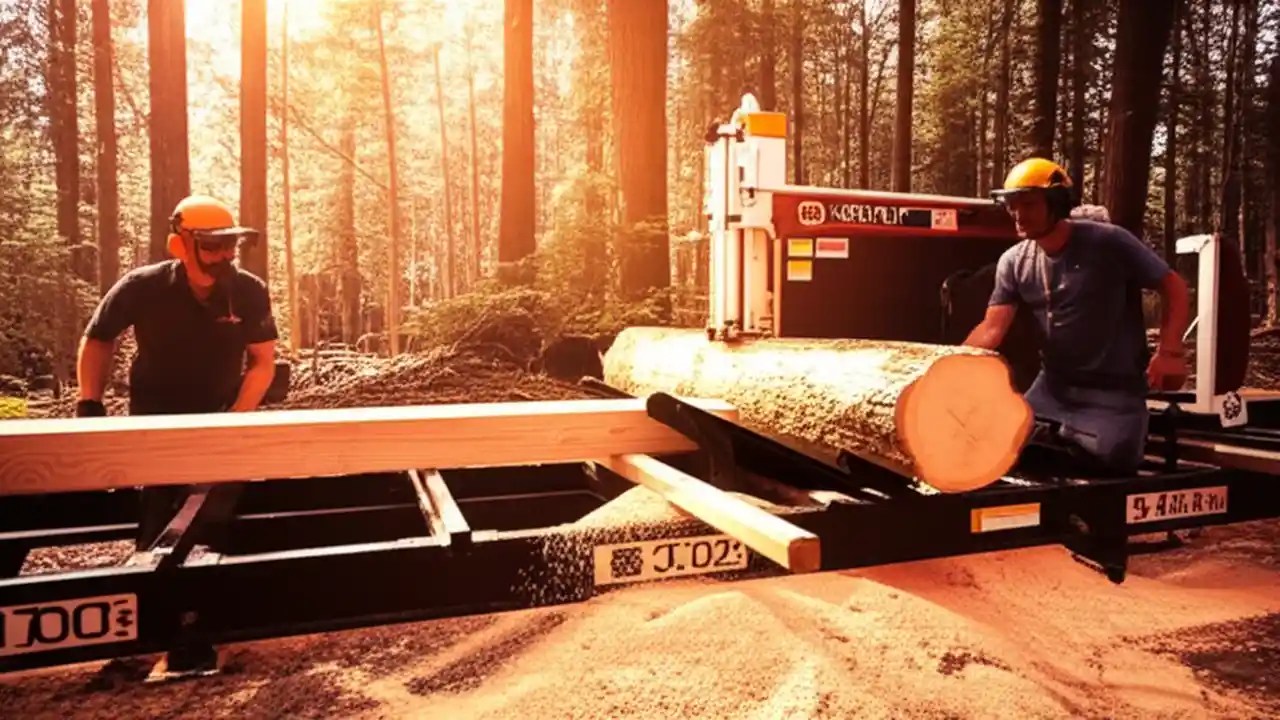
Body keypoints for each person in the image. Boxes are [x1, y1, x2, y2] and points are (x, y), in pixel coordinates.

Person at [964, 158, 1190, 475]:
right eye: (1012, 205)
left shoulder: (1108, 242)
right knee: (1000, 443)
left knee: (1109, 458)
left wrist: (1170, 352)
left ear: (1057, 204)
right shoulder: (1013, 262)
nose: (1018, 214)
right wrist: (950, 365)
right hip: (1052, 389)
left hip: (1113, 392)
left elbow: (1174, 287)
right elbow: (992, 328)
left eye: (1028, 204)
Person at [76, 194, 279, 546]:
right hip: (154, 419)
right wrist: (90, 404)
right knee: (157, 519)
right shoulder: (141, 287)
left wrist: (235, 418)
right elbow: (97, 339)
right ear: (179, 245)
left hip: (219, 415)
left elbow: (262, 362)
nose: (224, 257)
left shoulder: (248, 291)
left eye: (229, 245)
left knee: (217, 519)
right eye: (212, 246)